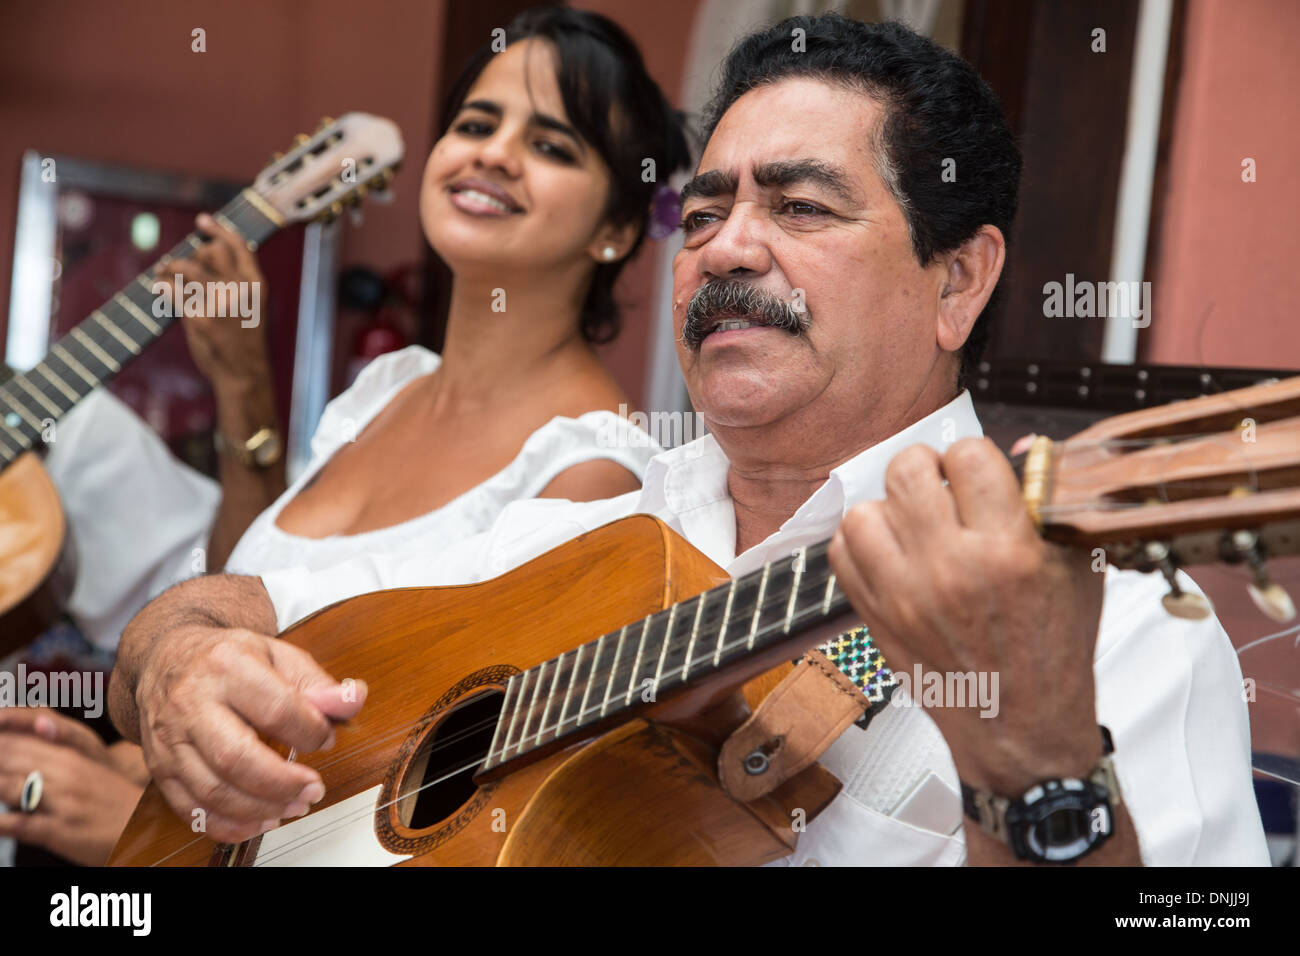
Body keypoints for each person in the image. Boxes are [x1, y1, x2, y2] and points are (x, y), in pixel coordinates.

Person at [108, 15, 1268, 865]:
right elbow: (225, 602)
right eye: (705, 213)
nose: (723, 249)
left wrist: (1037, 770)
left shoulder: (1120, 640)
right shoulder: (585, 522)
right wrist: (175, 667)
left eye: (801, 208)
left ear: (955, 279)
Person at [5, 6, 691, 863]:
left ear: (619, 228)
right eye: (476, 123)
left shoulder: (594, 476)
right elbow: (238, 595)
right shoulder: (384, 389)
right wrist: (148, 761)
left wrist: (141, 818)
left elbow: (426, 798)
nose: (492, 153)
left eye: (551, 146)